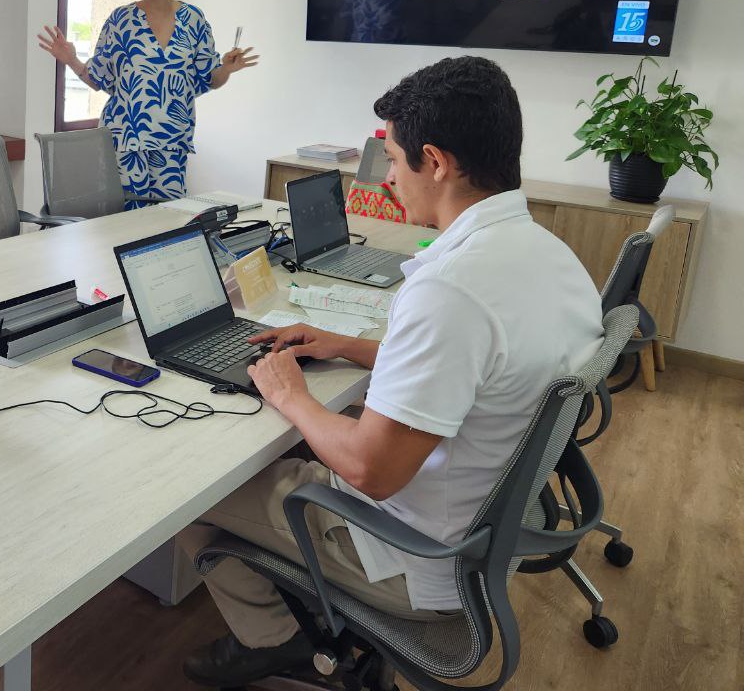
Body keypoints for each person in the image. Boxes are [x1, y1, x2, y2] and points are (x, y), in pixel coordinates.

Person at [177, 56, 603, 689]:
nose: (391, 180)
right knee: (305, 429)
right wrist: (349, 347)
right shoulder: (550, 256)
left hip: (415, 556)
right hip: (483, 524)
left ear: (435, 162)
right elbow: (486, 367)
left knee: (194, 493)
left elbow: (371, 471)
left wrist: (292, 396)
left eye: (395, 162)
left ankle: (279, 642)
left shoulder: (452, 289)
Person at [37, 0, 258, 205]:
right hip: (125, 142)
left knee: (167, 225)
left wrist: (226, 68)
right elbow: (98, 79)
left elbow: (210, 79)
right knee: (123, 225)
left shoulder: (194, 20)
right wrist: (70, 59)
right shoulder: (121, 21)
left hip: (172, 142)